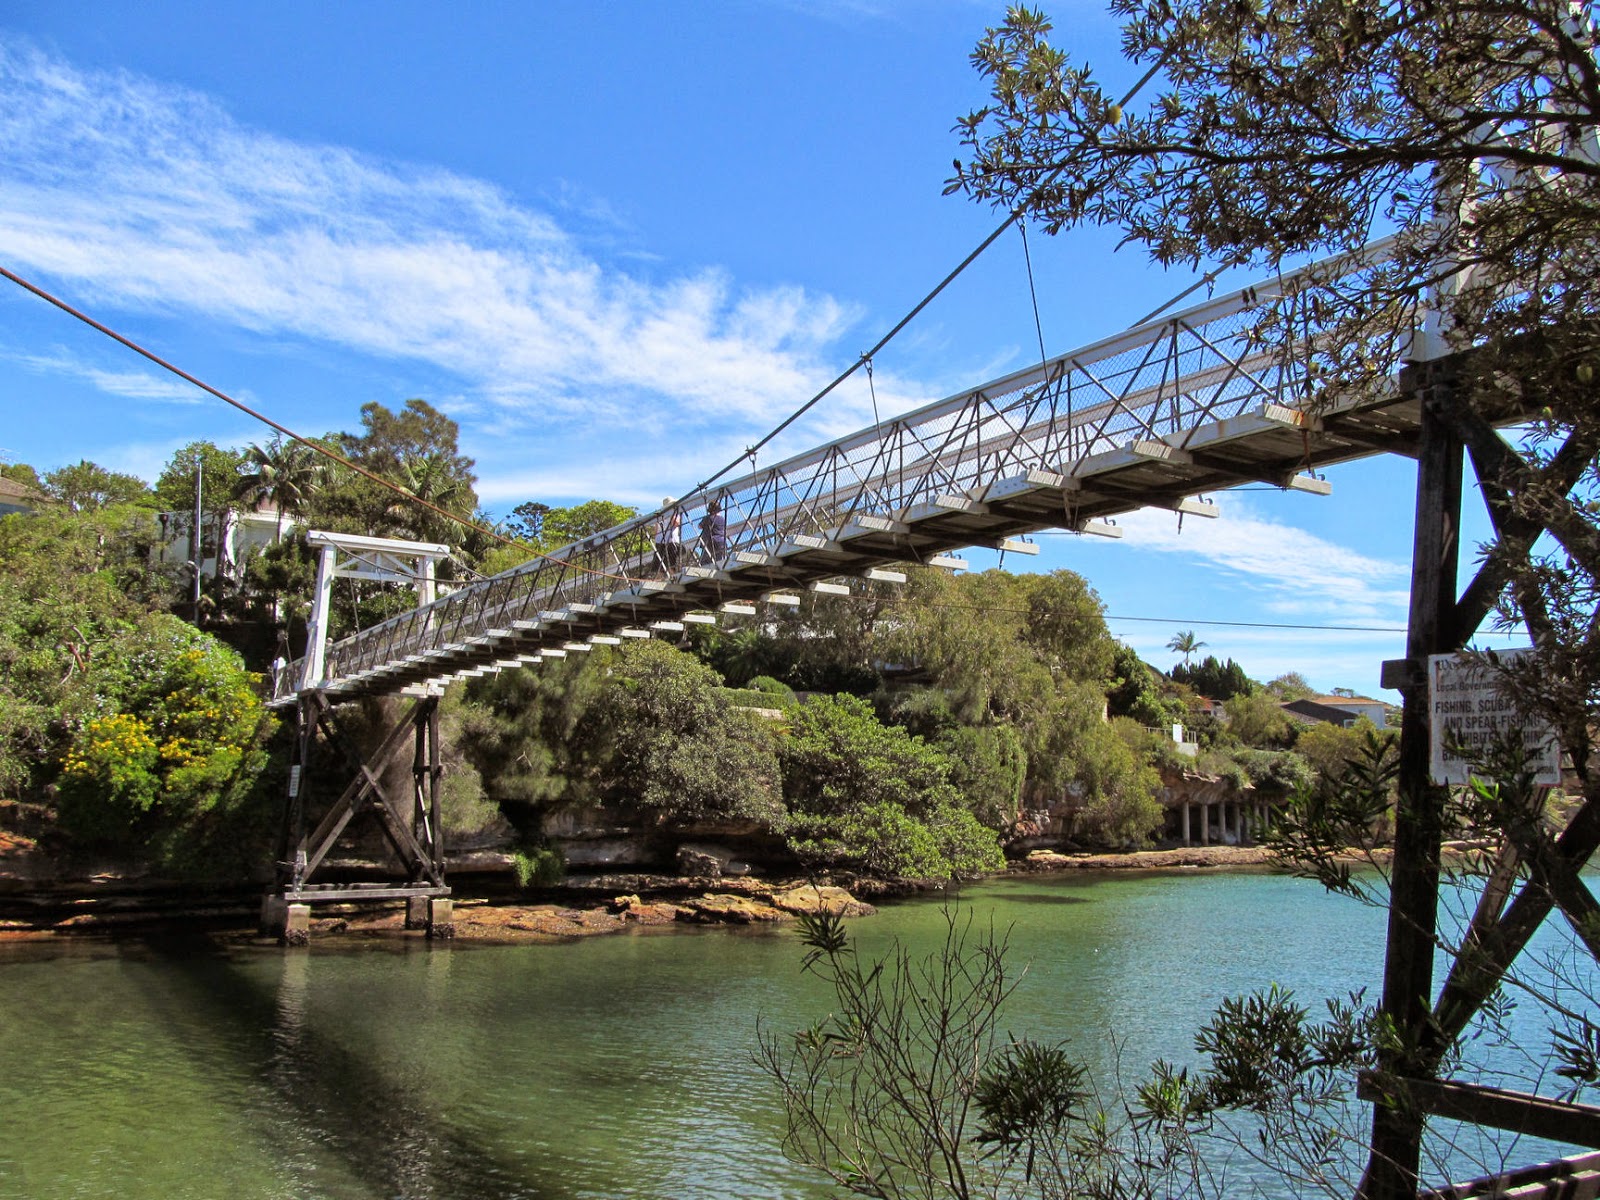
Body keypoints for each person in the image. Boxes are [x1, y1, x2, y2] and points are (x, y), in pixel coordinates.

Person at [655, 499, 683, 572]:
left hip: (659, 541)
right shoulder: (673, 513)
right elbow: (676, 523)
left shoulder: (658, 515)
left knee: (661, 564)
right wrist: (672, 515)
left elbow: (655, 530)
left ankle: (665, 577)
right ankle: (673, 576)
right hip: (671, 540)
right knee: (672, 563)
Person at [699, 497, 727, 563]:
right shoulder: (722, 519)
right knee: (719, 561)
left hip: (710, 543)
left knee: (704, 563)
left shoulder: (708, 518)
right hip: (721, 542)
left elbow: (699, 526)